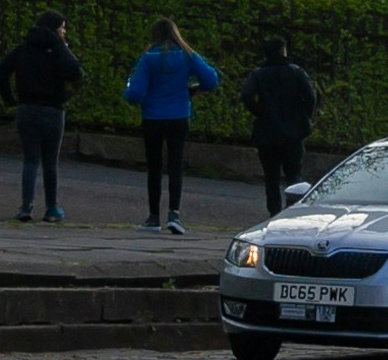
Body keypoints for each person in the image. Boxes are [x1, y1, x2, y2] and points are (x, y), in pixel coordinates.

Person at [124, 17, 222, 233]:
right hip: (179, 115)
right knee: (176, 165)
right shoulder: (187, 55)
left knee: (154, 167)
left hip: (153, 117)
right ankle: (174, 214)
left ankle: (153, 217)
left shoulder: (148, 58)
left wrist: (128, 90)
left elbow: (136, 93)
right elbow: (211, 79)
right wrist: (192, 89)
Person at [0, 12, 85, 224]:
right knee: (50, 161)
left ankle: (26, 206)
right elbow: (76, 73)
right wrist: (62, 46)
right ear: (54, 29)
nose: (64, 31)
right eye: (62, 28)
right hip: (53, 109)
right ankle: (52, 208)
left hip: (27, 108)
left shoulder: (23, 49)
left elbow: (1, 72)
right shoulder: (58, 51)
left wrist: (9, 99)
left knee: (30, 159)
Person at [239, 37, 320, 214]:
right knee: (294, 176)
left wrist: (260, 112)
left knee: (271, 178)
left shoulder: (258, 74)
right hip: (293, 133)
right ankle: (291, 211)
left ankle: (273, 213)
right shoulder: (295, 72)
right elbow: (310, 97)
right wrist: (303, 116)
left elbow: (246, 95)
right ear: (283, 51)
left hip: (266, 133)